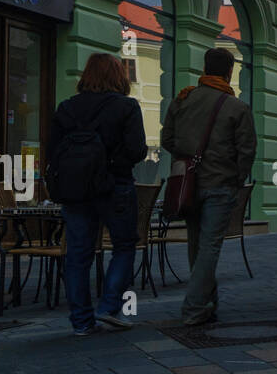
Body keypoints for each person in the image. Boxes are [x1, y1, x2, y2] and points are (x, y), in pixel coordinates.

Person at [51, 53, 148, 336]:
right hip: (115, 186)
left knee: (78, 254)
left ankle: (81, 321)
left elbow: (54, 150)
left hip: (75, 190)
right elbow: (137, 150)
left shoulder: (67, 108)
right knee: (124, 245)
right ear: (118, 76)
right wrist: (113, 162)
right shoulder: (126, 107)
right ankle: (108, 307)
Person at [160, 46, 258, 326]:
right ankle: (193, 308)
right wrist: (236, 178)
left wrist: (188, 157)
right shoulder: (237, 107)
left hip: (187, 183)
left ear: (204, 68)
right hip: (220, 184)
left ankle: (208, 302)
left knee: (197, 244)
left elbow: (168, 139)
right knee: (210, 246)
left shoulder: (184, 99)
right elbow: (247, 150)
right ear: (229, 72)